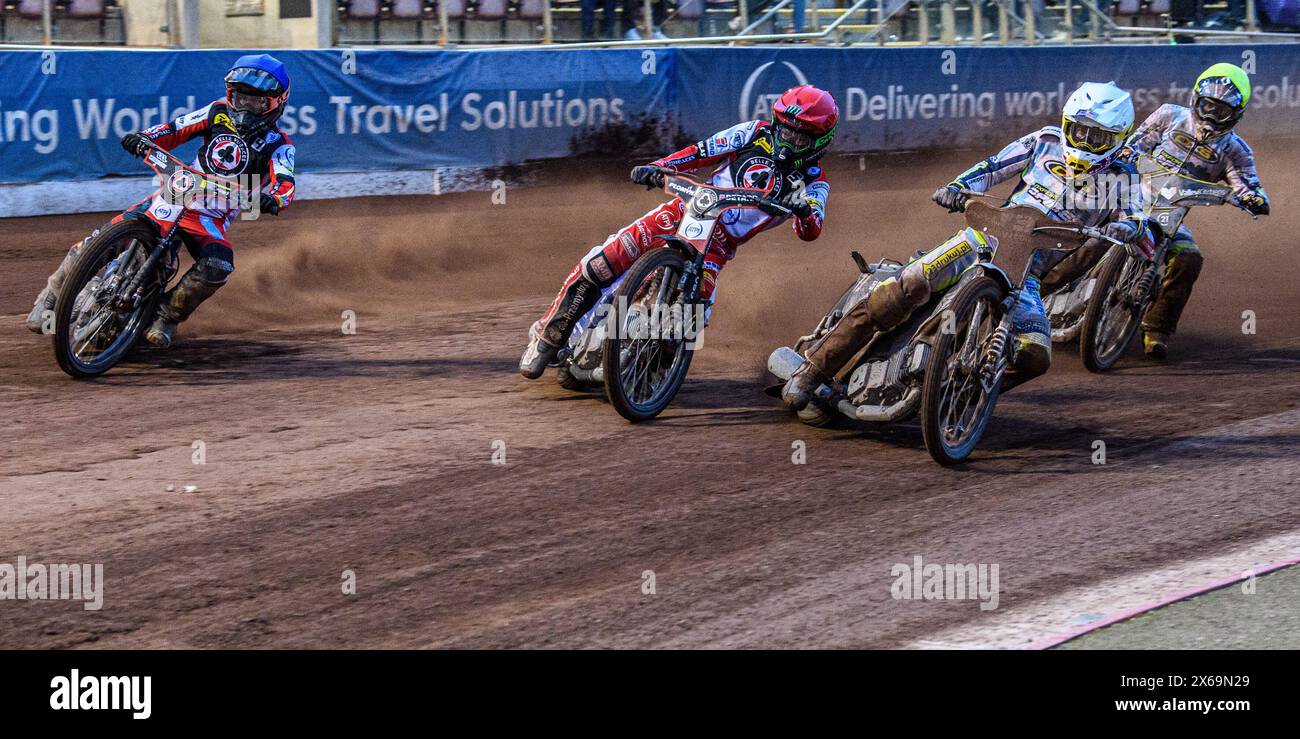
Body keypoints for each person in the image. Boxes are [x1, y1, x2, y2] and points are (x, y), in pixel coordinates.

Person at [782, 81, 1152, 410]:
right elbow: (992, 167)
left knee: (1035, 356)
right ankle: (813, 371)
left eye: (1097, 137)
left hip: (1029, 276)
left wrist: (1126, 229)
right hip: (982, 239)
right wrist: (957, 188)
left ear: (1119, 138)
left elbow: (1137, 218)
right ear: (1067, 123)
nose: (1085, 143)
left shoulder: (1125, 174)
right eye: (1079, 131)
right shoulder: (1045, 142)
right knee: (903, 288)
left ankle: (960, 392)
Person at [520, 85, 839, 379]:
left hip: (718, 246)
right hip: (685, 210)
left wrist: (802, 209)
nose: (788, 141)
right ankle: (549, 337)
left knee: (690, 317)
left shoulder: (815, 182)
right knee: (603, 262)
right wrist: (660, 167)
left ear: (819, 142)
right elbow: (702, 151)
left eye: (799, 138)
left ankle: (644, 369)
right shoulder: (753, 132)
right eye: (785, 130)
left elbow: (810, 230)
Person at [24, 54, 297, 348]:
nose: (246, 107)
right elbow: (174, 129)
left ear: (277, 102)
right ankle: (52, 295)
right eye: (240, 98)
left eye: (257, 102)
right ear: (230, 95)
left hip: (211, 216)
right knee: (98, 241)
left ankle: (166, 316)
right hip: (177, 192)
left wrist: (274, 199)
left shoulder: (280, 145)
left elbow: (285, 181)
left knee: (218, 265)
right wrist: (144, 137)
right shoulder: (216, 112)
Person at [1120, 62, 1270, 359]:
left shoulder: (1236, 150)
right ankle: (1043, 290)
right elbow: (1137, 142)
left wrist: (1254, 198)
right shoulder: (1169, 115)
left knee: (1189, 259)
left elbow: (1249, 184)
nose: (1212, 116)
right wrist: (1128, 152)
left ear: (1236, 115)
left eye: (1222, 111)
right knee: (1090, 228)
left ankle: (1157, 329)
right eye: (1207, 106)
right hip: (1128, 201)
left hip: (1169, 216)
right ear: (1195, 99)